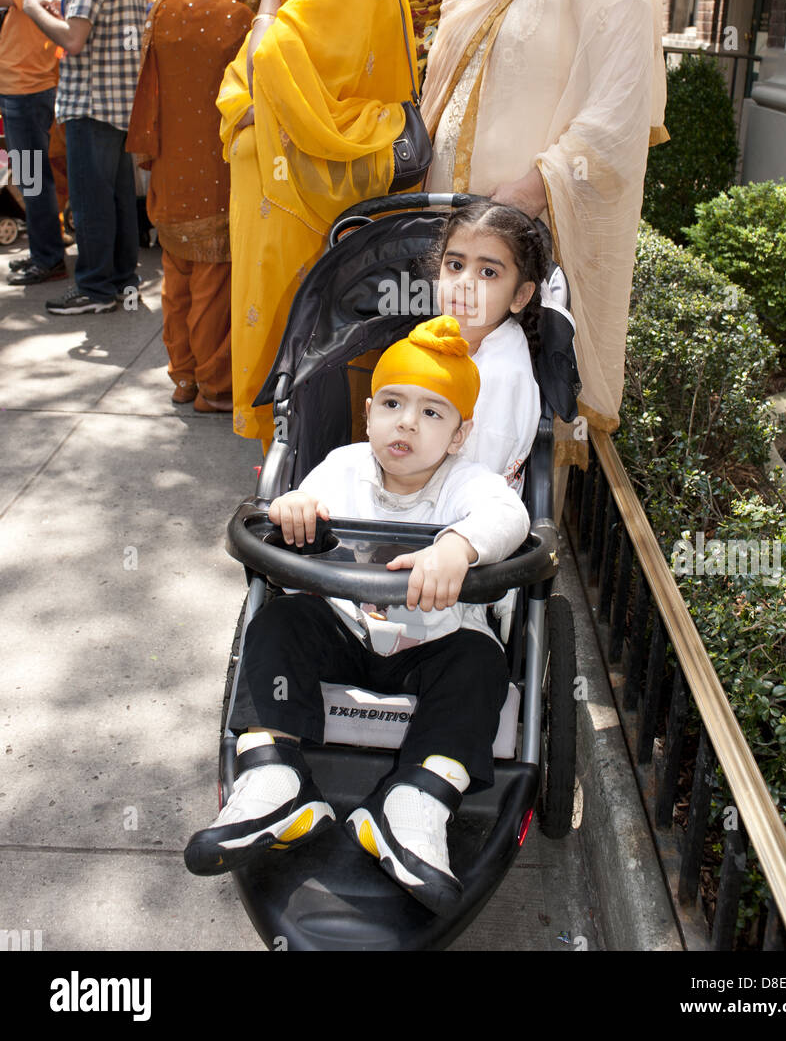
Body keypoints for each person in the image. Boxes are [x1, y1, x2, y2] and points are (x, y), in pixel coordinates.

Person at [184, 316, 528, 914]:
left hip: (435, 642)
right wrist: (293, 508)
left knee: (481, 662)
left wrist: (459, 546)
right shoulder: (342, 468)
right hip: (343, 630)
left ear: (458, 434)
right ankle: (274, 775)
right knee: (278, 624)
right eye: (393, 404)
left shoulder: (470, 485)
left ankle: (416, 799)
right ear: (369, 412)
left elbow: (509, 518)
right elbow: (303, 506)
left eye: (431, 412)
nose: (406, 423)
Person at [422, 0, 667, 455]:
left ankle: (505, 546)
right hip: (450, 230)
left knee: (516, 420)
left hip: (533, 234)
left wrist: (530, 192)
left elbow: (618, 106)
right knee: (438, 402)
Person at [216, 0, 417, 447]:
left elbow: (261, 68)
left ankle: (309, 490)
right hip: (288, 196)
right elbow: (250, 87)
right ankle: (300, 480)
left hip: (307, 201)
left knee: (307, 351)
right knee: (302, 349)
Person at [126, 0, 265, 410]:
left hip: (169, 167)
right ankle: (215, 387)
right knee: (213, 284)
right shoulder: (240, 17)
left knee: (177, 279)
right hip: (217, 168)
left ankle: (183, 378)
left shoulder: (163, 9)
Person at [22, 0, 147, 314]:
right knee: (117, 200)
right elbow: (109, 34)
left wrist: (35, 10)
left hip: (88, 103)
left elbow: (72, 41)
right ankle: (121, 280)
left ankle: (94, 289)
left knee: (91, 201)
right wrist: (64, 13)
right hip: (118, 103)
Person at [432, 198, 545, 492]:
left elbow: (470, 483)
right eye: (455, 265)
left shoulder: (500, 377)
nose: (464, 282)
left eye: (488, 273)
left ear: (520, 296)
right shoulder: (448, 338)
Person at [0, 0, 69, 285]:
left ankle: (48, 258)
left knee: (32, 179)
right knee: (30, 177)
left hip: (25, 93)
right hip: (21, 92)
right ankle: (43, 251)